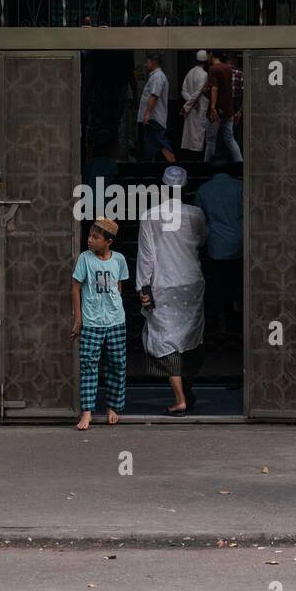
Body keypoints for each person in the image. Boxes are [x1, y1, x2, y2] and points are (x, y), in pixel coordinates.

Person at [136, 165, 207, 415]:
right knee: (189, 339)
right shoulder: (196, 214)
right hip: (190, 283)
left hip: (163, 283)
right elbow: (201, 240)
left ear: (162, 188)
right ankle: (187, 391)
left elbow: (146, 256)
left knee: (166, 340)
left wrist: (143, 286)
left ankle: (180, 398)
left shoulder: (150, 215)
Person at [72, 217, 130, 430]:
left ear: (108, 242)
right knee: (89, 366)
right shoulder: (85, 259)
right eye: (89, 236)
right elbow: (76, 288)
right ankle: (87, 412)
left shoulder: (119, 260)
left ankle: (113, 406)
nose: (90, 240)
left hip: (116, 321)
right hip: (92, 322)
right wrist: (79, 319)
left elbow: (119, 287)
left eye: (95, 237)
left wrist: (115, 308)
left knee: (116, 365)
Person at [194, 158, 243, 336]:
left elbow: (199, 219)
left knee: (218, 286)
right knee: (238, 283)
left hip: (216, 245)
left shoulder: (203, 190)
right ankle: (240, 321)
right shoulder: (240, 187)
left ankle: (222, 324)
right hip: (240, 243)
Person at [203, 50, 243, 164]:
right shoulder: (228, 69)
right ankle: (240, 163)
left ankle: (206, 167)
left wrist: (213, 107)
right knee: (230, 138)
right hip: (228, 109)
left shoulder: (213, 69)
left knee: (211, 140)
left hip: (217, 110)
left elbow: (215, 88)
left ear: (211, 55)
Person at [136, 51, 175, 163]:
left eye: (147, 62)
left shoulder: (157, 77)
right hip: (151, 119)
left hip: (153, 119)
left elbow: (154, 96)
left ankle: (176, 169)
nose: (145, 64)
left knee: (162, 145)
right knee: (153, 148)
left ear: (152, 62)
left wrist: (147, 114)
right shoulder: (155, 76)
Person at [179, 50, 210, 162]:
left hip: (191, 110)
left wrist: (188, 103)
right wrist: (191, 104)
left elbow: (183, 91)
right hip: (198, 109)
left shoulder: (189, 72)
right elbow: (198, 92)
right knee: (198, 138)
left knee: (189, 138)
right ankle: (197, 166)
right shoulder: (204, 74)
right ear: (206, 62)